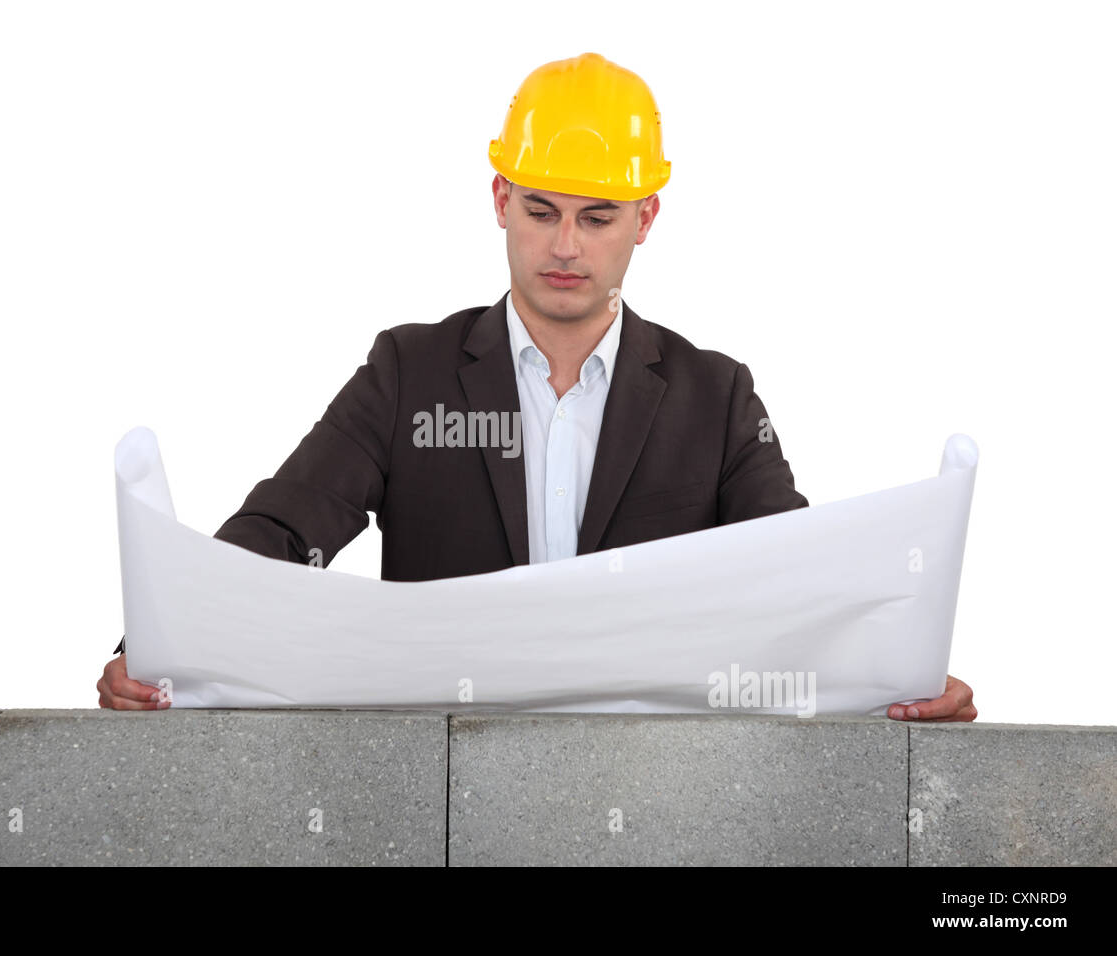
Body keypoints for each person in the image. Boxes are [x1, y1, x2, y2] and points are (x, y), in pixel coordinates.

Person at [98, 52, 976, 723]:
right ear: (499, 198)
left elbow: (796, 580)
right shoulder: (411, 374)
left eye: (597, 219)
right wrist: (172, 636)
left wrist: (901, 668)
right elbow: (287, 529)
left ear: (646, 219)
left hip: (654, 800)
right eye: (541, 211)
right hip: (447, 784)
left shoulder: (716, 399)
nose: (565, 248)